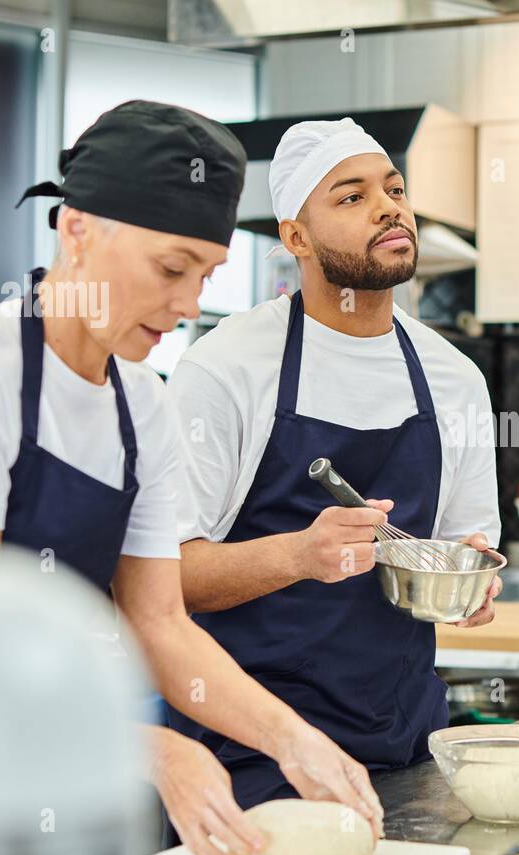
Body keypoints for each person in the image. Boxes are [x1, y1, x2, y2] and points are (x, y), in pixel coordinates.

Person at [0, 101, 382, 855]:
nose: (189, 305)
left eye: (205, 274)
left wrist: (294, 740)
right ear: (77, 229)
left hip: (32, 765)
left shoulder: (143, 404)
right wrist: (155, 751)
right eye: (171, 269)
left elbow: (160, 623)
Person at [167, 118, 501, 811]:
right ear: (297, 238)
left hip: (405, 745)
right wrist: (298, 555)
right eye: (350, 197)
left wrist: (468, 580)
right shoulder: (225, 370)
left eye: (395, 188)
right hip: (251, 755)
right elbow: (166, 581)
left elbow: (466, 545)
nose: (388, 206)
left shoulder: (454, 378)